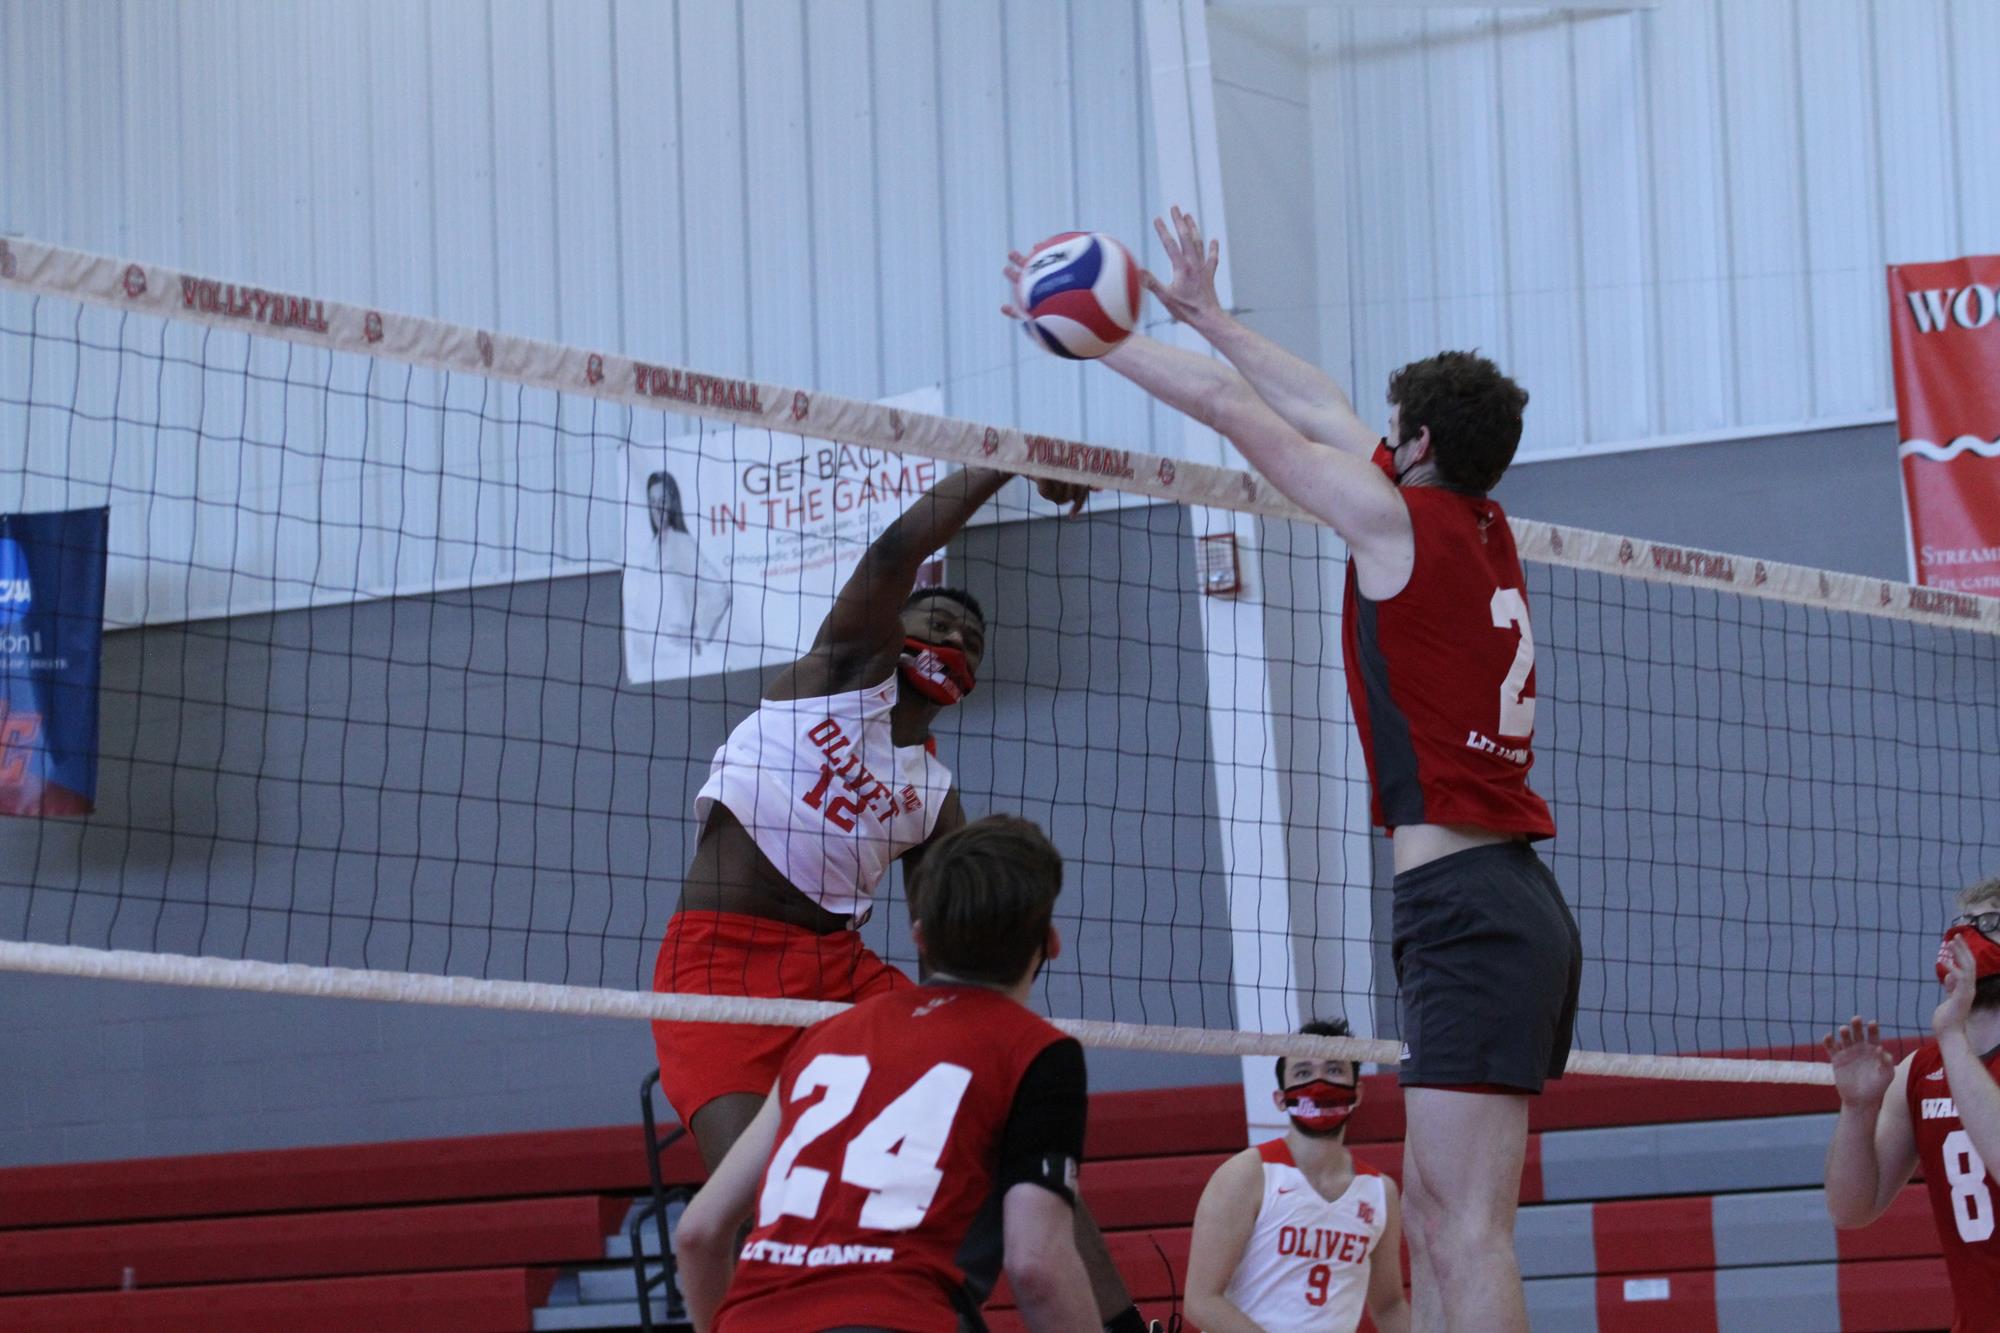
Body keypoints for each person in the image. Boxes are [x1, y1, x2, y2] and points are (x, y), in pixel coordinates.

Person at [1009, 207, 1581, 1333]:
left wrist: (1096, 331)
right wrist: (1209, 316)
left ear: (1412, 444)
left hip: (1469, 907)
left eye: (1388, 426)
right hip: (1492, 898)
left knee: (1466, 1230)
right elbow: (1312, 400)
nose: (1368, 434)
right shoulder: (1477, 523)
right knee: (1430, 1212)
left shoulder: (1390, 520)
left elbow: (1238, 414)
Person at [653, 465, 1149, 1333]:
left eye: (971, 637)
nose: (955, 634)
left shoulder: (934, 795)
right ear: (895, 626)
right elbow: (895, 548)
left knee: (1028, 1140)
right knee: (764, 1211)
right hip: (717, 968)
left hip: (839, 975)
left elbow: (949, 947)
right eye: (938, 617)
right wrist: (1012, 457)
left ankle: (1122, 1324)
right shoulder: (839, 672)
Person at [675, 815, 1099, 1333]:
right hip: (897, 1315)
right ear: (1051, 942)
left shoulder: (823, 1040)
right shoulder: (1037, 1052)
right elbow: (1036, 1267)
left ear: (920, 937)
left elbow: (697, 1233)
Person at [1824, 878, 2000, 1326]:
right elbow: (1850, 1210)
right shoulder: (1920, 1071)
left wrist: (1951, 1036)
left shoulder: (1946, 1052)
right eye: (1959, 923)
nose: (1961, 936)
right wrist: (1858, 1109)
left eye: (1988, 922)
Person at [1184, 1019, 1410, 1333]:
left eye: (1333, 1070)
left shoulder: (1379, 1191)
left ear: (1357, 1093)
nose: (1319, 1082)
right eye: (1303, 1072)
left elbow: (1389, 1305)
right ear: (1281, 1098)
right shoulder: (1247, 1175)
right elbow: (1201, 1300)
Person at [644, 468, 731, 647]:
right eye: (652, 502)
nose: (657, 509)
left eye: (663, 501)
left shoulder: (682, 544)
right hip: (652, 660)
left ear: (672, 504)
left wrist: (698, 633)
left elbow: (719, 591)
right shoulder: (651, 550)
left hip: (679, 656)